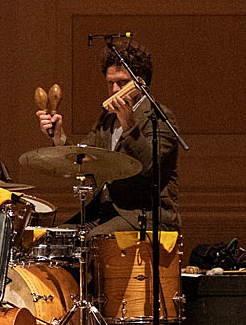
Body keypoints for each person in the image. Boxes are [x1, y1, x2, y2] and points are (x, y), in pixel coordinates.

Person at [34, 37, 178, 233]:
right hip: (104, 211)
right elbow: (86, 158)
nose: (115, 90)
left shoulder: (159, 117)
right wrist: (59, 137)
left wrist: (129, 124)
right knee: (53, 237)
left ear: (140, 82)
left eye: (123, 83)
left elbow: (149, 168)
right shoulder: (107, 119)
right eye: (111, 83)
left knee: (91, 242)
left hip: (142, 215)